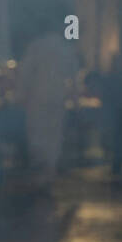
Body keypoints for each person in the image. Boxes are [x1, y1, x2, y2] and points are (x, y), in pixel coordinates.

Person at [15, 30, 78, 188]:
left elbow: (25, 73)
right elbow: (74, 75)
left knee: (38, 134)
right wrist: (75, 99)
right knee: (53, 136)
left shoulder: (37, 46)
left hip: (38, 98)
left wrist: (20, 96)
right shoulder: (65, 48)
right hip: (58, 97)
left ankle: (41, 172)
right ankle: (49, 172)